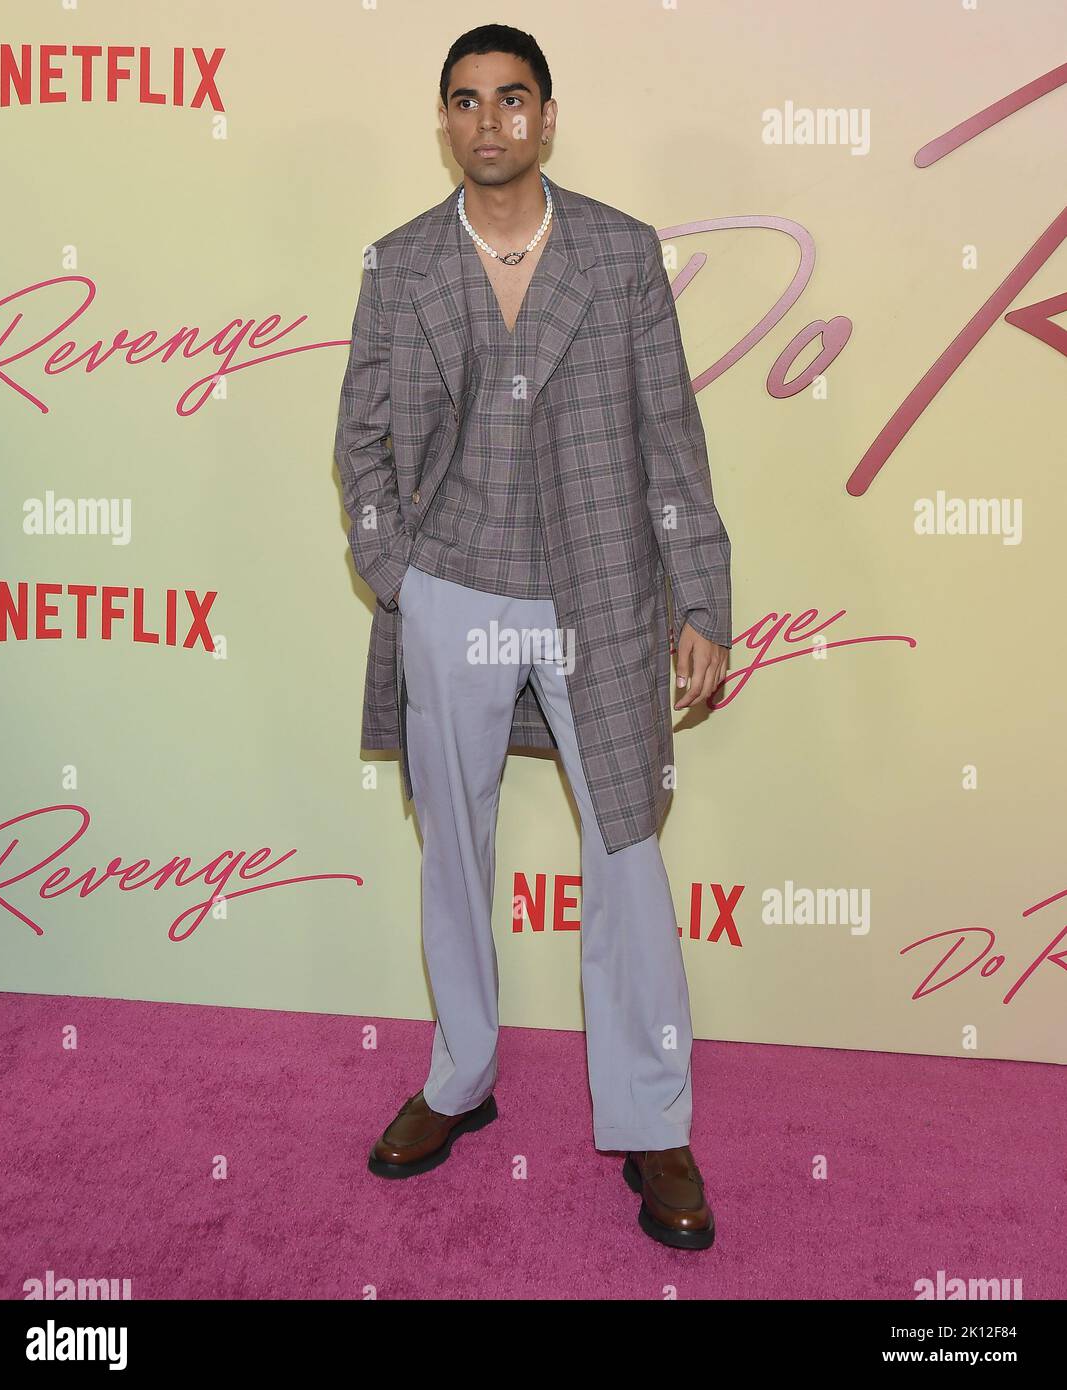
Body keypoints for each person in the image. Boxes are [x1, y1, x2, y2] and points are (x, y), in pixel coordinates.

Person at [335, 24, 731, 1250]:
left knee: (624, 854)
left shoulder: (618, 255)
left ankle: (650, 1118)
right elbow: (360, 443)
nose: (489, 122)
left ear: (546, 117)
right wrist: (396, 573)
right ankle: (460, 1076)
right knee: (452, 849)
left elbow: (669, 439)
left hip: (595, 596)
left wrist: (701, 598)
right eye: (465, 101)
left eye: (512, 99)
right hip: (448, 589)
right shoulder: (398, 265)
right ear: (442, 121)